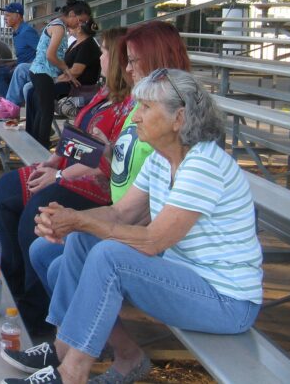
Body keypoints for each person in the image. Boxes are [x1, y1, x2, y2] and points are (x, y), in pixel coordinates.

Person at [2, 70, 261, 384]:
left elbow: (152, 241)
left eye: (146, 108)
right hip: (187, 279)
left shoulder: (203, 164)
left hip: (226, 301)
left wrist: (79, 220)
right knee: (77, 247)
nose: (135, 117)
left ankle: (71, 374)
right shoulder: (162, 159)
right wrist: (68, 220)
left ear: (179, 118)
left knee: (109, 257)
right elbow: (121, 214)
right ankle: (64, 350)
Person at [16, 21, 192, 366]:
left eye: (133, 59)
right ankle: (116, 351)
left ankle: (68, 359)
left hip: (159, 242)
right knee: (44, 250)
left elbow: (150, 218)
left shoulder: (174, 121)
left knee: (79, 254)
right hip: (127, 214)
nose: (126, 67)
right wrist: (108, 153)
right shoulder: (142, 108)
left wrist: (79, 217)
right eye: (123, 59)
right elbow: (126, 171)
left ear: (156, 59)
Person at [0, 28, 133, 340]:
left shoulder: (133, 105)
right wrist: (55, 160)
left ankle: (37, 316)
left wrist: (58, 176)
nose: (101, 57)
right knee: (5, 193)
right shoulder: (104, 92)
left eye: (106, 52)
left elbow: (108, 161)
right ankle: (14, 284)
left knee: (36, 216)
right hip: (70, 168)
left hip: (97, 186)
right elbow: (79, 133)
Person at [25, 0, 90, 148]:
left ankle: (36, 144)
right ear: (72, 14)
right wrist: (66, 69)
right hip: (42, 72)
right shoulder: (59, 28)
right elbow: (50, 55)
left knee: (43, 109)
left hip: (41, 72)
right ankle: (41, 146)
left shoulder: (58, 25)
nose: (80, 25)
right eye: (80, 21)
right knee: (46, 111)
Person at [0, 2, 40, 104]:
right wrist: (13, 63)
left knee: (1, 73)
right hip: (21, 67)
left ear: (17, 16)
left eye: (8, 15)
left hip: (29, 70)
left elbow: (41, 52)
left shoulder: (27, 31)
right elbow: (25, 54)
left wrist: (25, 65)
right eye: (4, 15)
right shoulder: (17, 32)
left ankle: (9, 105)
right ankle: (6, 104)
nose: (5, 18)